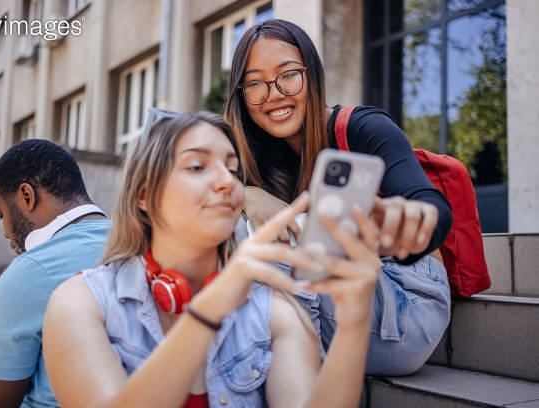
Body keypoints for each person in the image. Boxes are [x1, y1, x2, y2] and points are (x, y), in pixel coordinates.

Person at [43, 111, 382, 407]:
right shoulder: (79, 303)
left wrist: (354, 324)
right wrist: (207, 312)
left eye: (234, 170)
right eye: (197, 166)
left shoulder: (275, 311)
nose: (226, 182)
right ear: (144, 195)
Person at [224, 19, 452, 375]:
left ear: (312, 75)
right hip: (326, 295)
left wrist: (397, 220)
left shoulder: (362, 129)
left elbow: (432, 207)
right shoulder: (248, 156)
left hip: (407, 299)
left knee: (279, 235)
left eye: (288, 75)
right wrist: (248, 194)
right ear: (241, 96)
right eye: (255, 83)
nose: (274, 94)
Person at [0, 139, 111, 407]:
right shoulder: (142, 244)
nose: (5, 232)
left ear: (27, 196)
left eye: (0, 213)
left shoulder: (31, 273)